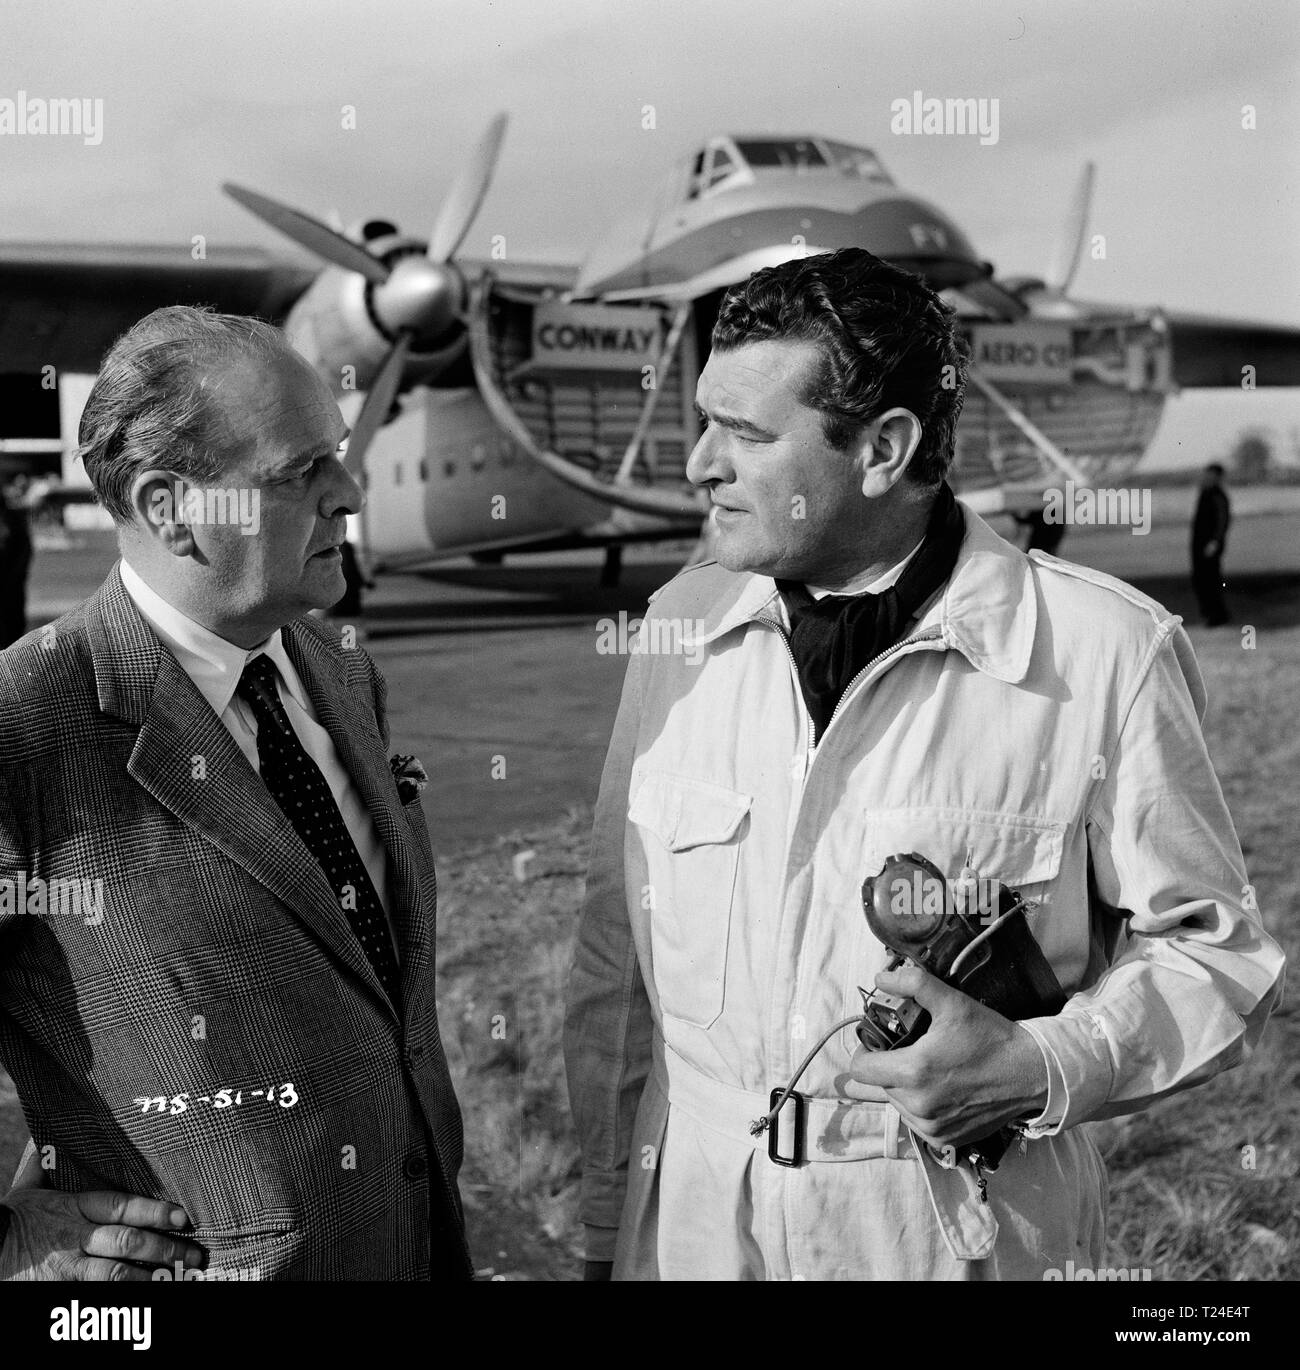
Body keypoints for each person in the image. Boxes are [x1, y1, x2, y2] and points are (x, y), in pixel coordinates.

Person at [564, 248, 1285, 1280]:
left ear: (882, 449)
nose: (698, 464)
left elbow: (1215, 951)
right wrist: (604, 1223)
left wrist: (1039, 1065)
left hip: (947, 1237)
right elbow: (615, 962)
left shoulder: (1102, 652)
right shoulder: (678, 625)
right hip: (690, 1234)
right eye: (704, 420)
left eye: (748, 434)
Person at [0, 306, 470, 1280]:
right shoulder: (25, 720)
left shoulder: (341, 670)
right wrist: (10, 1241)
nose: (351, 489)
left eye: (337, 455)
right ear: (175, 508)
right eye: (303, 470)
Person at [1191, 462, 1231, 625]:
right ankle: (1208, 612)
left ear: (1218, 478)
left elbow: (1223, 521)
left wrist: (1215, 541)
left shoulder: (1218, 496)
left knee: (1211, 580)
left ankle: (1218, 615)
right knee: (1200, 579)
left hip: (1210, 545)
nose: (1207, 478)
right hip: (1199, 544)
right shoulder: (1205, 493)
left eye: (1211, 475)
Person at [0, 473, 33, 649]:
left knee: (12, 624)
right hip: (11, 582)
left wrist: (17, 575)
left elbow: (23, 551)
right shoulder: (14, 520)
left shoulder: (14, 521)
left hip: (11, 584)